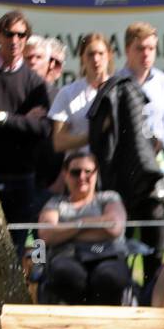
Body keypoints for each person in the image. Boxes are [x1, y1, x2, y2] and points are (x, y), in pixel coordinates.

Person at [116, 21, 164, 283]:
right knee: (118, 248)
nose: (146, 53)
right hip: (123, 178)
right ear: (127, 49)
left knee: (156, 251)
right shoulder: (116, 83)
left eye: (151, 48)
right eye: (140, 48)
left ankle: (152, 305)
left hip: (158, 177)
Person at [34, 148, 133, 305]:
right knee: (65, 273)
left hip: (107, 256)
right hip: (66, 258)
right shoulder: (55, 203)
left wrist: (68, 229)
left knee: (109, 277)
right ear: (65, 174)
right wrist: (93, 225)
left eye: (88, 171)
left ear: (96, 173)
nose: (82, 177)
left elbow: (114, 227)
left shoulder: (109, 197)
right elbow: (46, 235)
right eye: (75, 172)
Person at [0, 10, 52, 254]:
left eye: (21, 34)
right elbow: (29, 126)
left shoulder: (35, 83)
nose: (14, 40)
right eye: (9, 33)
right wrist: (22, 121)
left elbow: (41, 128)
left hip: (24, 178)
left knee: (16, 250)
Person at [45, 32, 113, 217]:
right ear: (82, 58)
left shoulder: (120, 91)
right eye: (90, 54)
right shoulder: (67, 93)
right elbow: (58, 142)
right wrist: (95, 134)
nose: (96, 59)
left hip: (113, 173)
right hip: (79, 177)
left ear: (109, 56)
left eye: (100, 53)